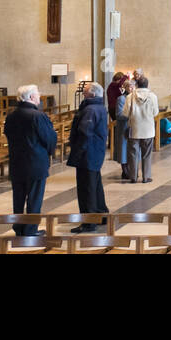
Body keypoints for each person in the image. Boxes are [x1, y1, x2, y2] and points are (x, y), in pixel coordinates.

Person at [3, 84, 58, 235]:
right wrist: (49, 151)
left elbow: (8, 134)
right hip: (35, 163)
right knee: (34, 198)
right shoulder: (38, 116)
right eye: (38, 94)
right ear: (32, 97)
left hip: (17, 162)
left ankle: (19, 228)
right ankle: (30, 229)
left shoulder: (11, 116)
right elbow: (49, 138)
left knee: (18, 198)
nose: (40, 96)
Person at [67, 81, 110, 231]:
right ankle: (101, 213)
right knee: (95, 184)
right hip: (94, 152)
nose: (83, 93)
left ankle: (89, 221)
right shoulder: (99, 107)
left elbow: (84, 133)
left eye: (85, 91)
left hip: (87, 154)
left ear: (92, 93)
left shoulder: (90, 110)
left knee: (86, 188)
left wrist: (77, 153)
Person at [122, 74, 159, 183]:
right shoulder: (153, 96)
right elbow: (155, 113)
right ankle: (146, 177)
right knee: (146, 154)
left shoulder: (130, 96)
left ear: (137, 85)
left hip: (134, 129)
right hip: (148, 129)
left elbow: (125, 113)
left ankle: (133, 177)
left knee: (133, 153)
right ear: (147, 85)